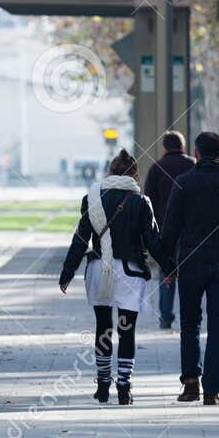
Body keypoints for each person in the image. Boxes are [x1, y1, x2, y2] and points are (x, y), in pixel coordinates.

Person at [59, 149, 164, 405]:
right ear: (134, 175)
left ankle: (103, 385)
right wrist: (171, 268)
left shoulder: (92, 198)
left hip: (99, 270)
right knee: (126, 330)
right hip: (130, 273)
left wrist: (67, 272)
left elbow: (80, 239)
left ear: (110, 172)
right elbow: (152, 240)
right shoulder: (141, 202)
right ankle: (124, 387)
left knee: (103, 327)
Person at [162, 131, 219, 405]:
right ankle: (212, 390)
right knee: (218, 328)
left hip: (191, 262)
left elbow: (170, 228)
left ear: (196, 153)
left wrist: (169, 265)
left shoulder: (183, 183)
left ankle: (191, 384)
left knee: (189, 324)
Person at [144, 130, 196, 330]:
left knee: (166, 271)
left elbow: (148, 201)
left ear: (164, 147)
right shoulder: (193, 165)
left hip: (164, 228)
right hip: (190, 228)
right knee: (190, 272)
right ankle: (189, 315)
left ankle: (165, 316)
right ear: (183, 146)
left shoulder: (156, 168)